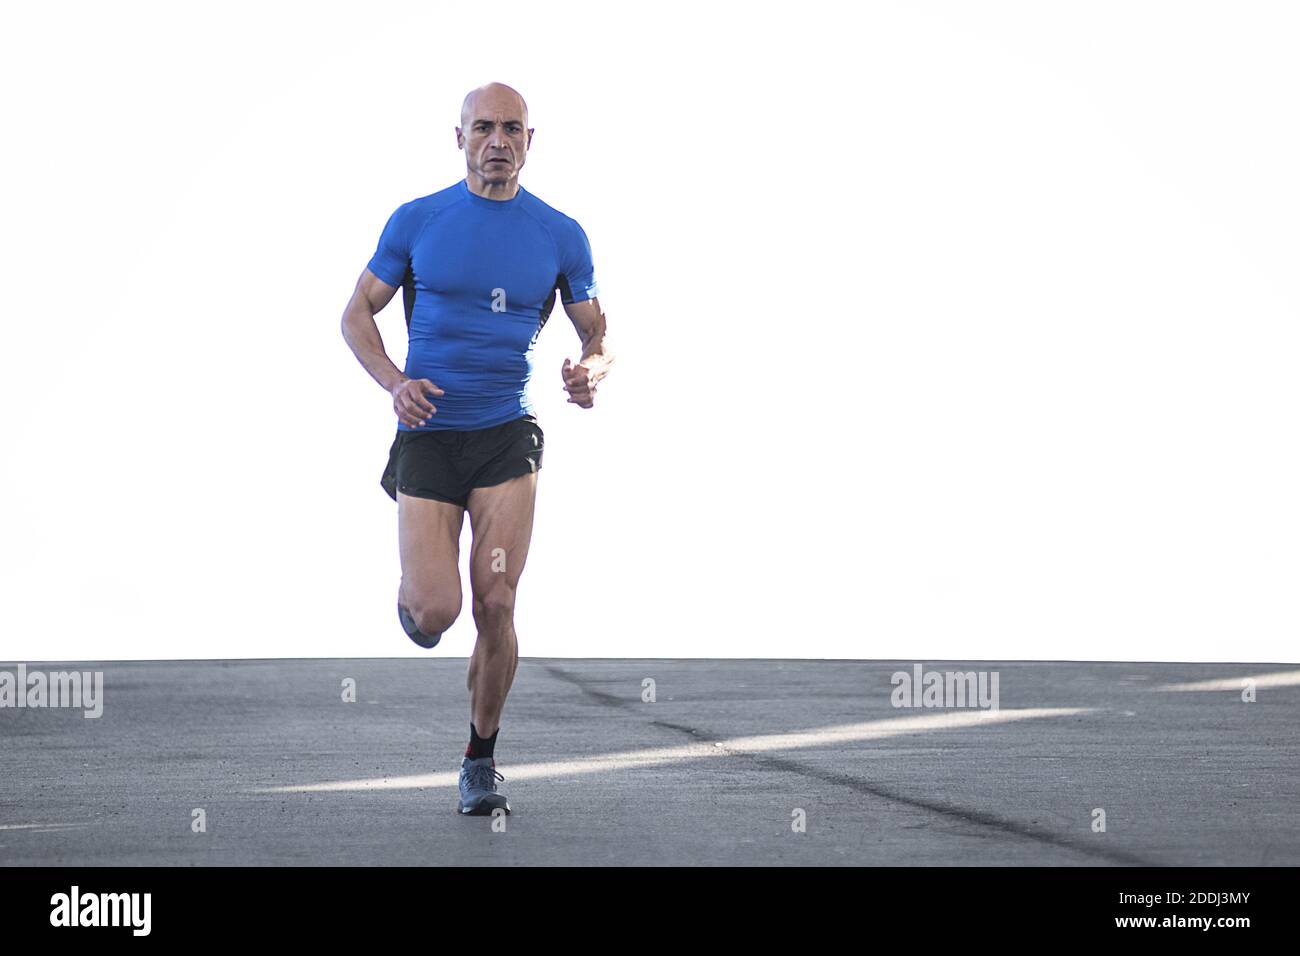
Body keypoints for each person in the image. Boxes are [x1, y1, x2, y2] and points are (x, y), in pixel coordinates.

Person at [340, 82, 613, 815]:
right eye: (484, 128)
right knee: (436, 612)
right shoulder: (418, 220)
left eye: (512, 129)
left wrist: (591, 369)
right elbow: (356, 313)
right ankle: (418, 606)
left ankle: (481, 758)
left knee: (497, 600)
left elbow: (597, 332)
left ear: (531, 140)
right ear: (458, 137)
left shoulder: (559, 233)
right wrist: (395, 382)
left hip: (506, 436)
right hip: (428, 435)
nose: (498, 140)